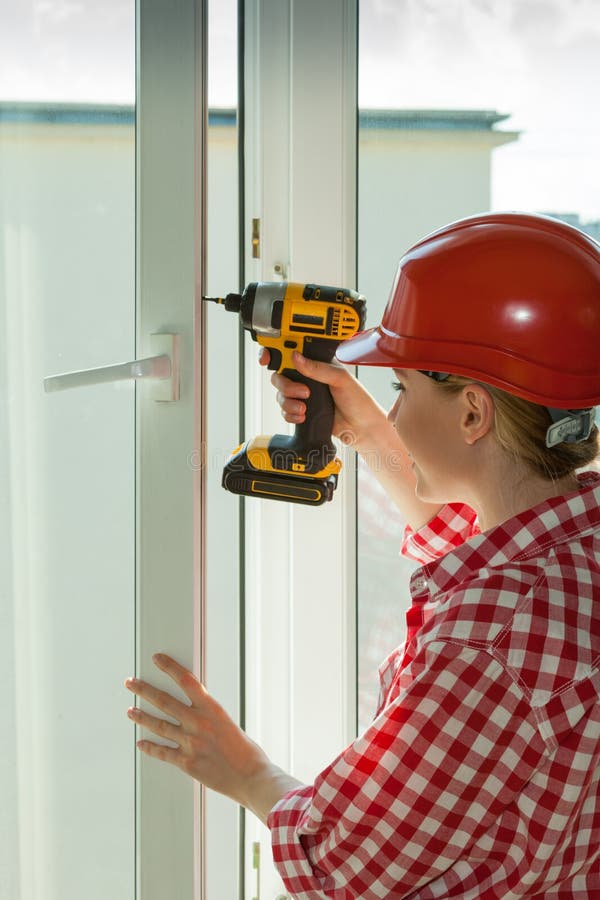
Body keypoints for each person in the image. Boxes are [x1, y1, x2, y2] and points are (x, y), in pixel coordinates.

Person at [125, 212, 600, 898]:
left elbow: (346, 865)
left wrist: (246, 771)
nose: (394, 410)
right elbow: (492, 550)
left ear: (473, 415)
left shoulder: (484, 641)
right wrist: (372, 434)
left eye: (402, 390)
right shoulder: (572, 556)